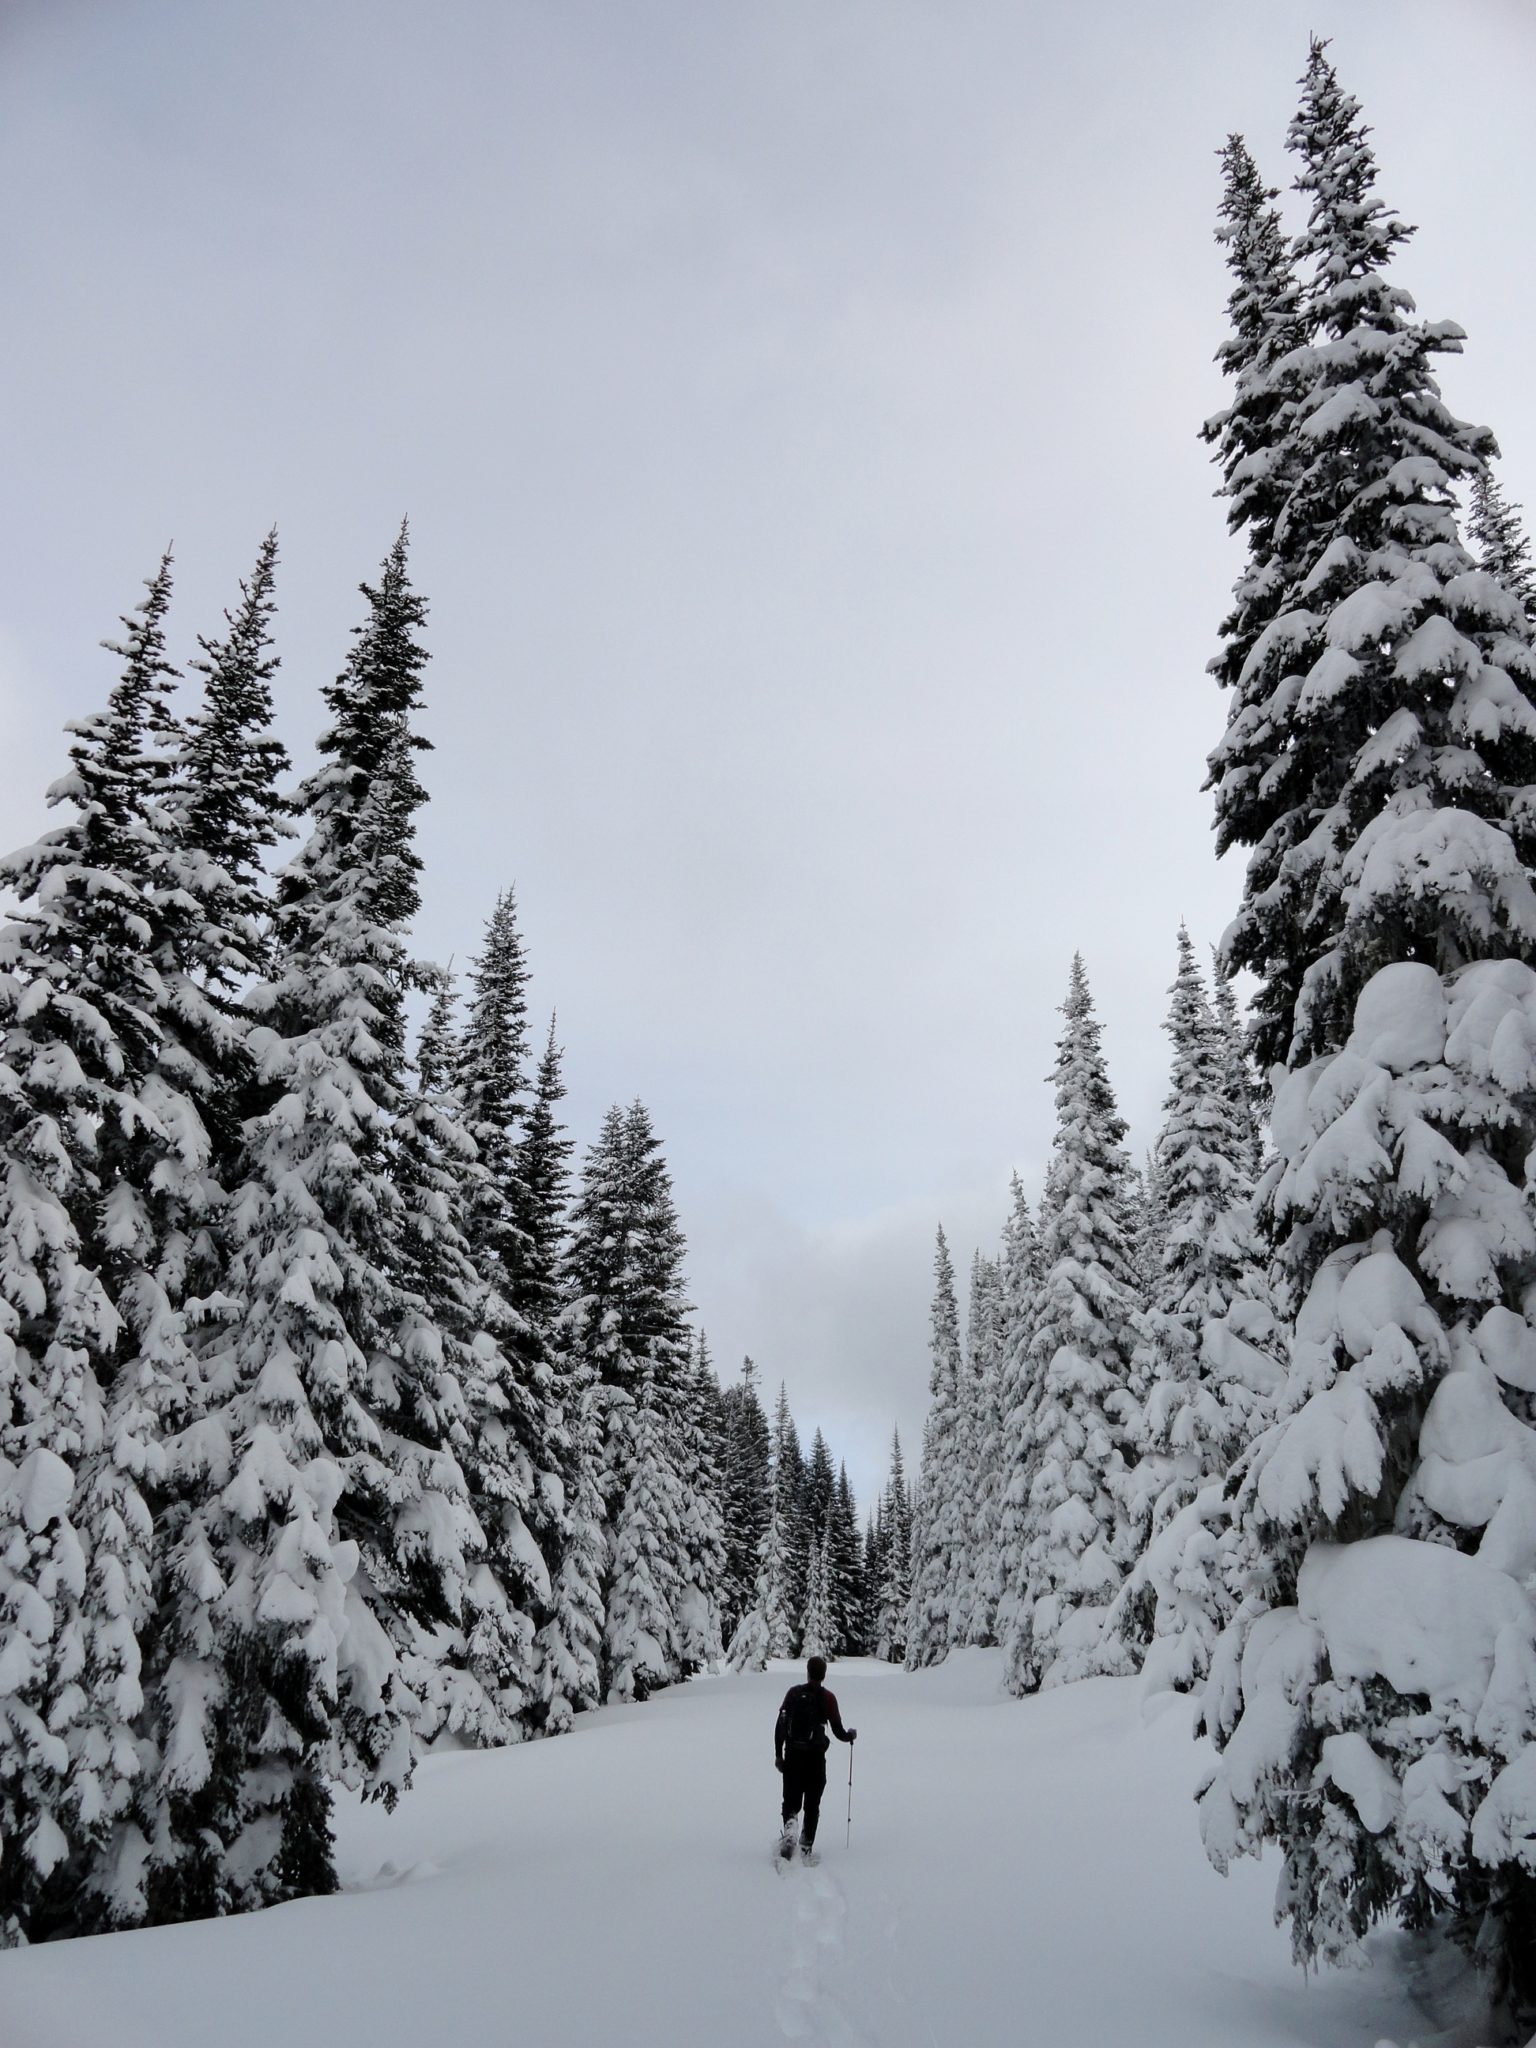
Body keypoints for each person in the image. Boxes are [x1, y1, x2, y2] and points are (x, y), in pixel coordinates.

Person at [774, 1655, 856, 1864]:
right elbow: (837, 1730)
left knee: (791, 1802)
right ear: (824, 1675)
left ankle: (791, 1829)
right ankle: (805, 1846)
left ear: (808, 1672)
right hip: (816, 1759)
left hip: (793, 1755)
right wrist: (850, 1736)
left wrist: (778, 1755)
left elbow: (780, 1726)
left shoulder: (793, 1693)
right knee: (812, 1804)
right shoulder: (828, 1698)